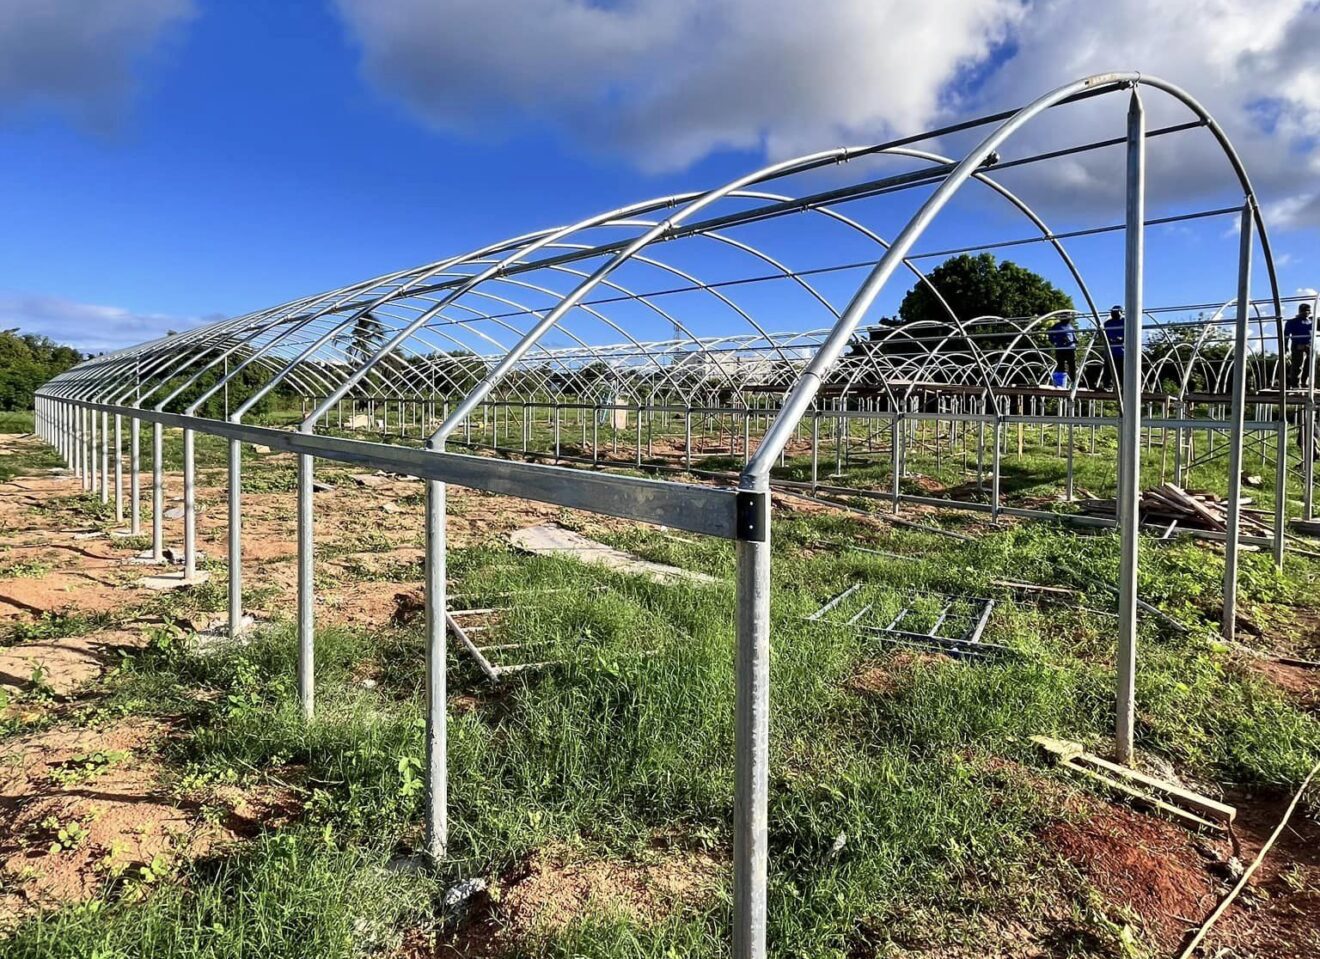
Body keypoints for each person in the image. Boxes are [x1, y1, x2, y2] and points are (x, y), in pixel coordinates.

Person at [1285, 303, 1313, 389]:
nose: (1307, 312)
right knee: (1297, 365)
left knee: (1310, 364)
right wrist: (1285, 346)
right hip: (1297, 344)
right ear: (1300, 311)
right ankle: (1295, 384)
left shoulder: (1312, 321)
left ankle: (1304, 382)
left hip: (1309, 345)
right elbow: (1286, 335)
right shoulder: (1292, 322)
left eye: (1308, 310)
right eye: (1305, 310)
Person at [1047, 315, 1077, 386]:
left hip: (1070, 348)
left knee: (1072, 365)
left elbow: (1075, 338)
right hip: (1060, 348)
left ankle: (1073, 382)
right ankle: (1061, 384)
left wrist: (1070, 341)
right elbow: (1050, 336)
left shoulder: (1070, 326)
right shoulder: (1057, 326)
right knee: (1061, 365)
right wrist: (1056, 341)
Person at [1102, 305, 1125, 392]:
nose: (1113, 313)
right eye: (1112, 312)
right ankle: (1108, 386)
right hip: (1110, 351)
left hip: (1122, 352)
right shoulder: (1107, 323)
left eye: (1115, 312)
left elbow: (1130, 334)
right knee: (1108, 370)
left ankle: (1124, 387)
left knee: (1121, 371)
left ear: (1120, 312)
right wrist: (1109, 340)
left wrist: (1122, 339)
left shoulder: (1125, 322)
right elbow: (1103, 335)